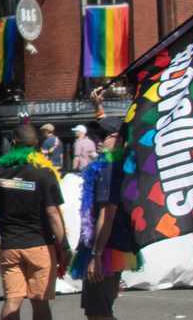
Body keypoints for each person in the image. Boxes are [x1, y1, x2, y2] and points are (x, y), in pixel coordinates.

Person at [0, 124, 66, 320]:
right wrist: (65, 248)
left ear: (13, 143)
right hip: (39, 246)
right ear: (37, 144)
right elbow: (53, 213)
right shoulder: (44, 173)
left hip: (10, 246)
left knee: (12, 300)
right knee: (40, 301)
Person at [75, 111, 133, 320]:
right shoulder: (113, 164)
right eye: (96, 135)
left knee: (98, 311)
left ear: (119, 138)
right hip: (107, 245)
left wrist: (97, 256)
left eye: (105, 135)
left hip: (106, 249)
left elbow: (106, 215)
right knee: (99, 309)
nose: (98, 139)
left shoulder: (110, 168)